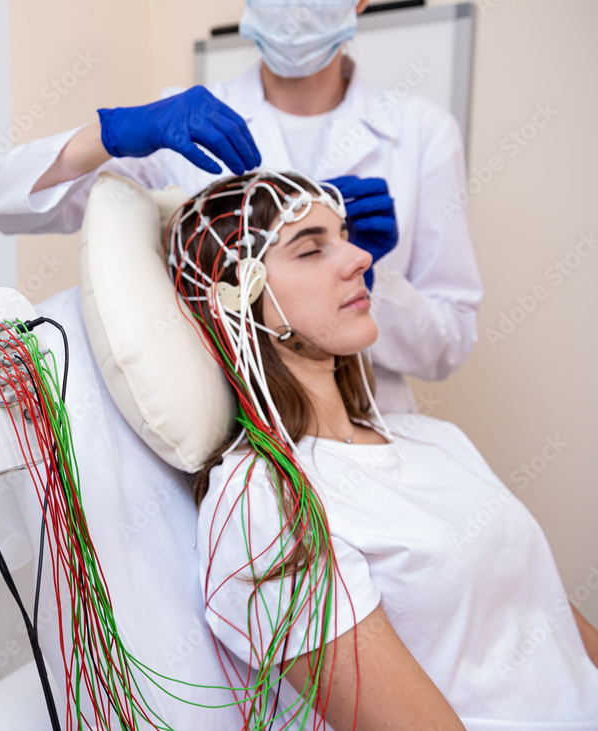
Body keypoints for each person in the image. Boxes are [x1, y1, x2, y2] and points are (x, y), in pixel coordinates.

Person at [168, 169, 598, 729]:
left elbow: (546, 614)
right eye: (311, 250)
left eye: (344, 236)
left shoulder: (432, 438)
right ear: (235, 298)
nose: (360, 259)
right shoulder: (264, 503)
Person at [0, 0, 483, 414]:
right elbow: (3, 202)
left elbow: (450, 344)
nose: (296, 2)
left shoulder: (423, 132)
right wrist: (112, 132)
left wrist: (370, 278)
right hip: (230, 432)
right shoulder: (186, 127)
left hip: (369, 421)